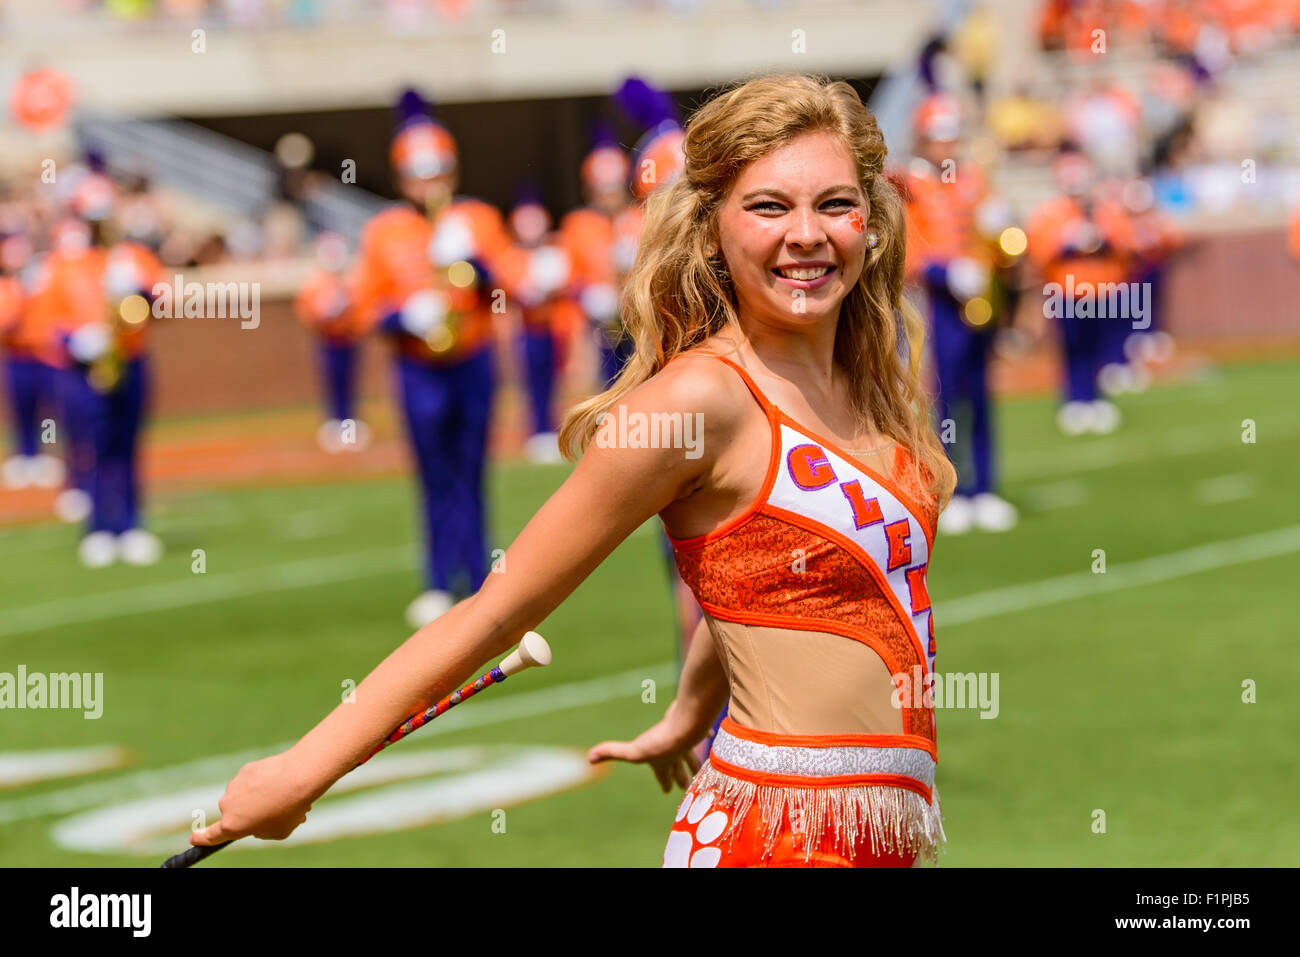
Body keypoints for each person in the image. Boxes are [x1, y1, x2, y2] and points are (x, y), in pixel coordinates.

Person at [190, 74, 956, 869]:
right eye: (768, 207)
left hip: (879, 839)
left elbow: (772, 578)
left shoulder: (867, 387)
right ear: (710, 231)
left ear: (870, 222)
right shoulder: (701, 399)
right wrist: (301, 772)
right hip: (772, 842)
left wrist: (692, 711)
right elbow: (491, 614)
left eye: (834, 204)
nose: (807, 233)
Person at [352, 89, 522, 629]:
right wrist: (403, 317)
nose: (431, 185)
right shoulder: (384, 231)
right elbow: (364, 308)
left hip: (471, 358)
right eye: (421, 175)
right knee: (432, 474)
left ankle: (476, 578)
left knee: (472, 471)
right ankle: (435, 578)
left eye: (440, 172)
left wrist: (476, 265)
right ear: (403, 179)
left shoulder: (478, 219)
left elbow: (512, 285)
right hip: (418, 366)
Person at [902, 92, 1019, 534]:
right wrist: (943, 270)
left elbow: (998, 233)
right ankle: (952, 487)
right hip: (935, 300)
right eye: (938, 139)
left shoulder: (974, 179)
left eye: (952, 139)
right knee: (943, 397)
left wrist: (1001, 230)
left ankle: (984, 487)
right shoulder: (909, 182)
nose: (947, 148)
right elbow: (906, 248)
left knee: (981, 392)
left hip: (979, 299)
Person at [41, 157, 165, 566]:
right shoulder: (63, 264)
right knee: (91, 448)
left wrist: (139, 294)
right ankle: (98, 527)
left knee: (127, 447)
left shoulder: (132, 257)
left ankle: (130, 524)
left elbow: (162, 301)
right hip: (84, 370)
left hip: (128, 360)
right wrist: (75, 340)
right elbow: (47, 320)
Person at [294, 231, 369, 453]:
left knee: (350, 385)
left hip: (349, 340)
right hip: (329, 341)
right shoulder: (317, 284)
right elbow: (309, 313)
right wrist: (327, 311)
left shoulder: (351, 282)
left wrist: (349, 311)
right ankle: (336, 426)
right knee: (333, 385)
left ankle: (348, 428)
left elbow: (363, 311)